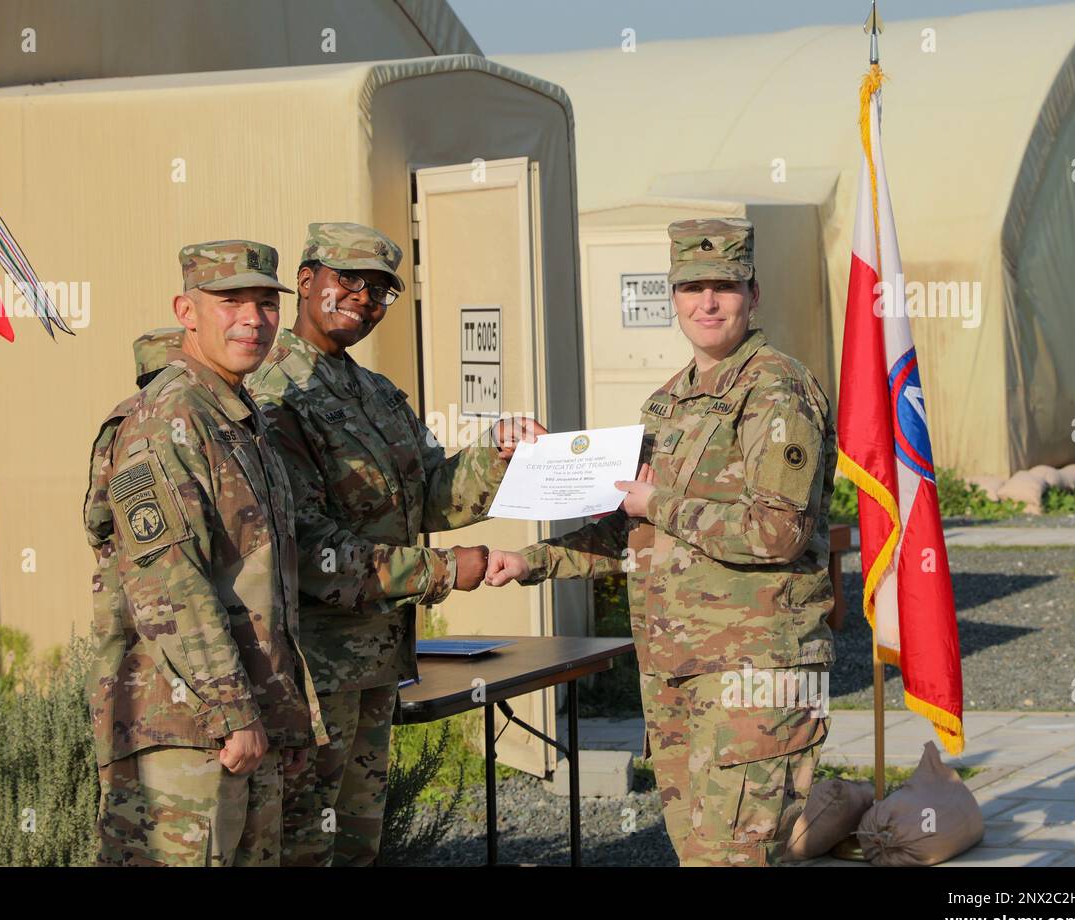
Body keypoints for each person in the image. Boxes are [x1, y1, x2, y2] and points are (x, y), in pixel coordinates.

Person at [487, 218, 836, 866]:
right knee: (701, 856)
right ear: (672, 298)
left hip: (754, 677)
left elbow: (779, 532)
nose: (708, 303)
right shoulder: (666, 405)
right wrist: (527, 561)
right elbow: (633, 528)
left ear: (752, 295)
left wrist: (661, 503)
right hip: (678, 674)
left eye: (724, 287)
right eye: (692, 287)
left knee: (737, 857)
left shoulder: (776, 390)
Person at [245, 221, 545, 866]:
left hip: (373, 661)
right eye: (348, 280)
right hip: (311, 670)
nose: (363, 298)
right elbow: (309, 548)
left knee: (356, 845)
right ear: (306, 282)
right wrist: (441, 571)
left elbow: (430, 493)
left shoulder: (375, 392)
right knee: (303, 847)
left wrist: (500, 455)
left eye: (381, 290)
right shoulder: (273, 393)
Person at [84, 240, 324, 866]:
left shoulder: (240, 418)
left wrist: (283, 714)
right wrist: (233, 710)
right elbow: (170, 587)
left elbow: (259, 586)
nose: (253, 318)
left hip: (239, 723)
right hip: (183, 731)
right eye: (231, 301)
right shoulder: (166, 419)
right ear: (186, 310)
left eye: (266, 302)